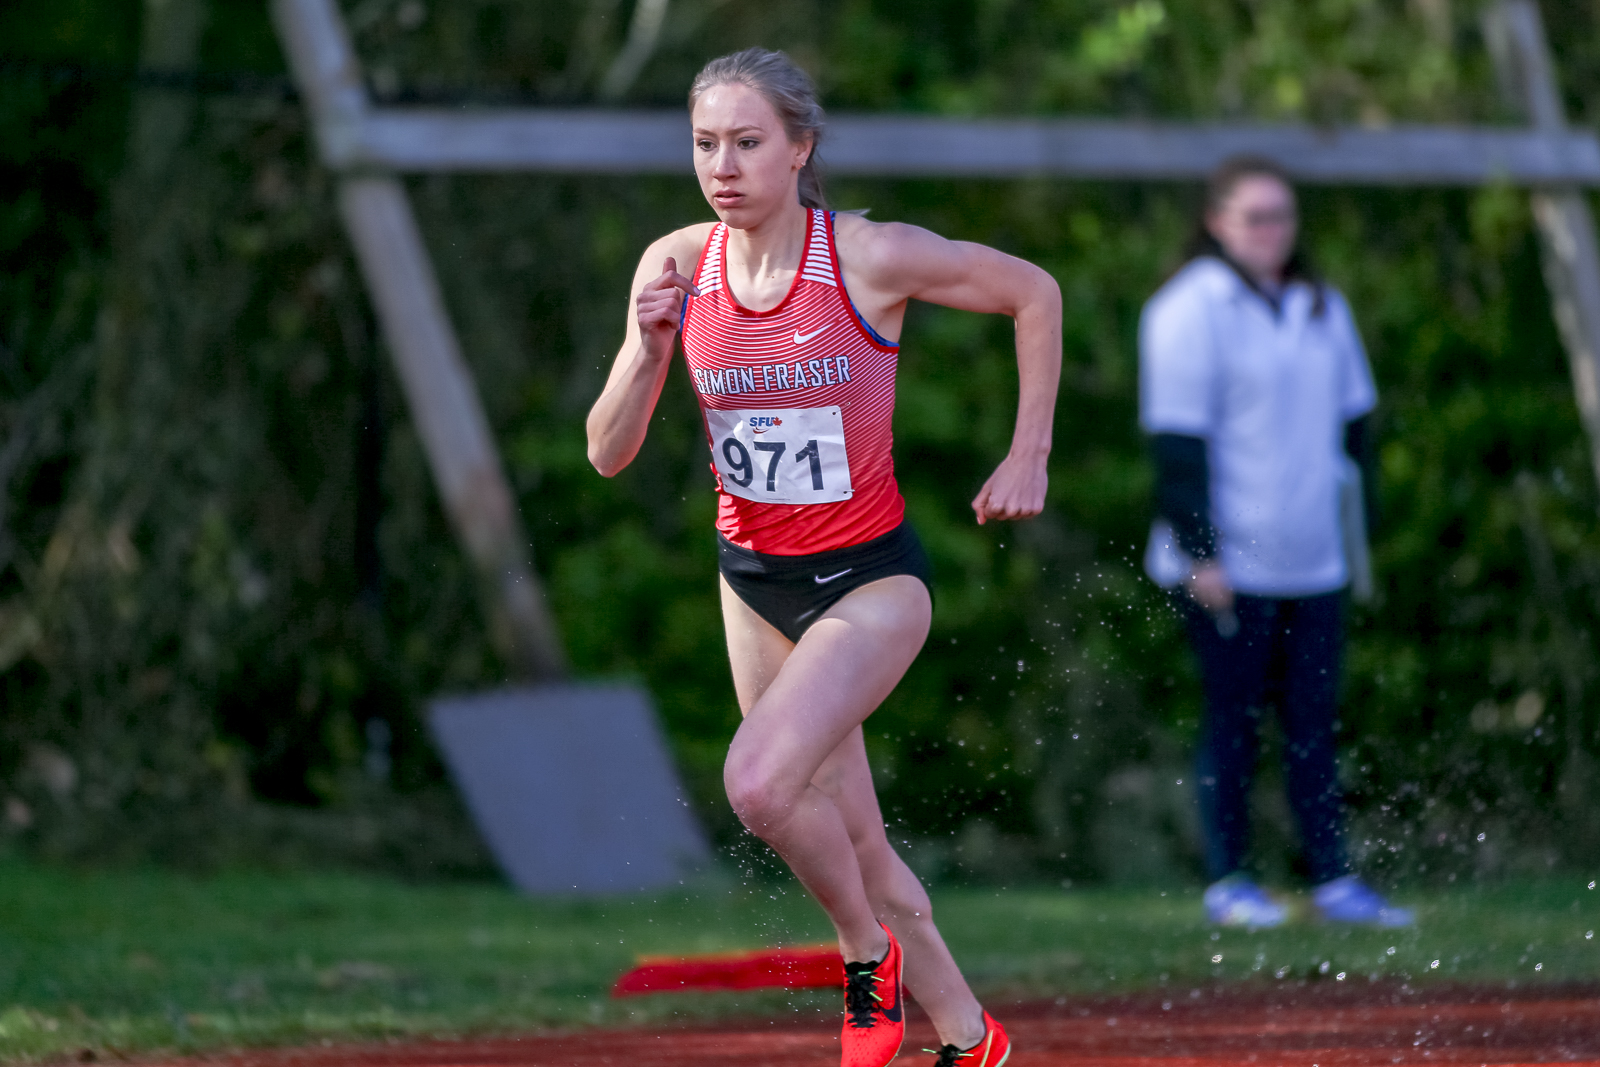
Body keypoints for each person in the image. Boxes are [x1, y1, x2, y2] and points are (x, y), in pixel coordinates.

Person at [586, 47, 1058, 1067]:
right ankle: (971, 1038)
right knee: (857, 840)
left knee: (759, 785)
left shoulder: (869, 257)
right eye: (705, 144)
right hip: (752, 582)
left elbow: (1033, 290)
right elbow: (606, 452)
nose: (722, 166)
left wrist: (1028, 452)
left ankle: (861, 951)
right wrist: (648, 351)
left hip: (870, 581)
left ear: (799, 148)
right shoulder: (675, 265)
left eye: (747, 142)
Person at [1139, 156, 1413, 929]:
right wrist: (1202, 553)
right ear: (1218, 222)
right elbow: (1176, 445)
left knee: (1313, 724)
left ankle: (1333, 877)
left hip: (1314, 560)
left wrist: (1360, 535)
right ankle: (1230, 879)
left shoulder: (1321, 306)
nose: (1271, 231)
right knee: (1233, 722)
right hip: (1230, 565)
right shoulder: (1188, 308)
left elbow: (1356, 429)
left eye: (1281, 216)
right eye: (1254, 216)